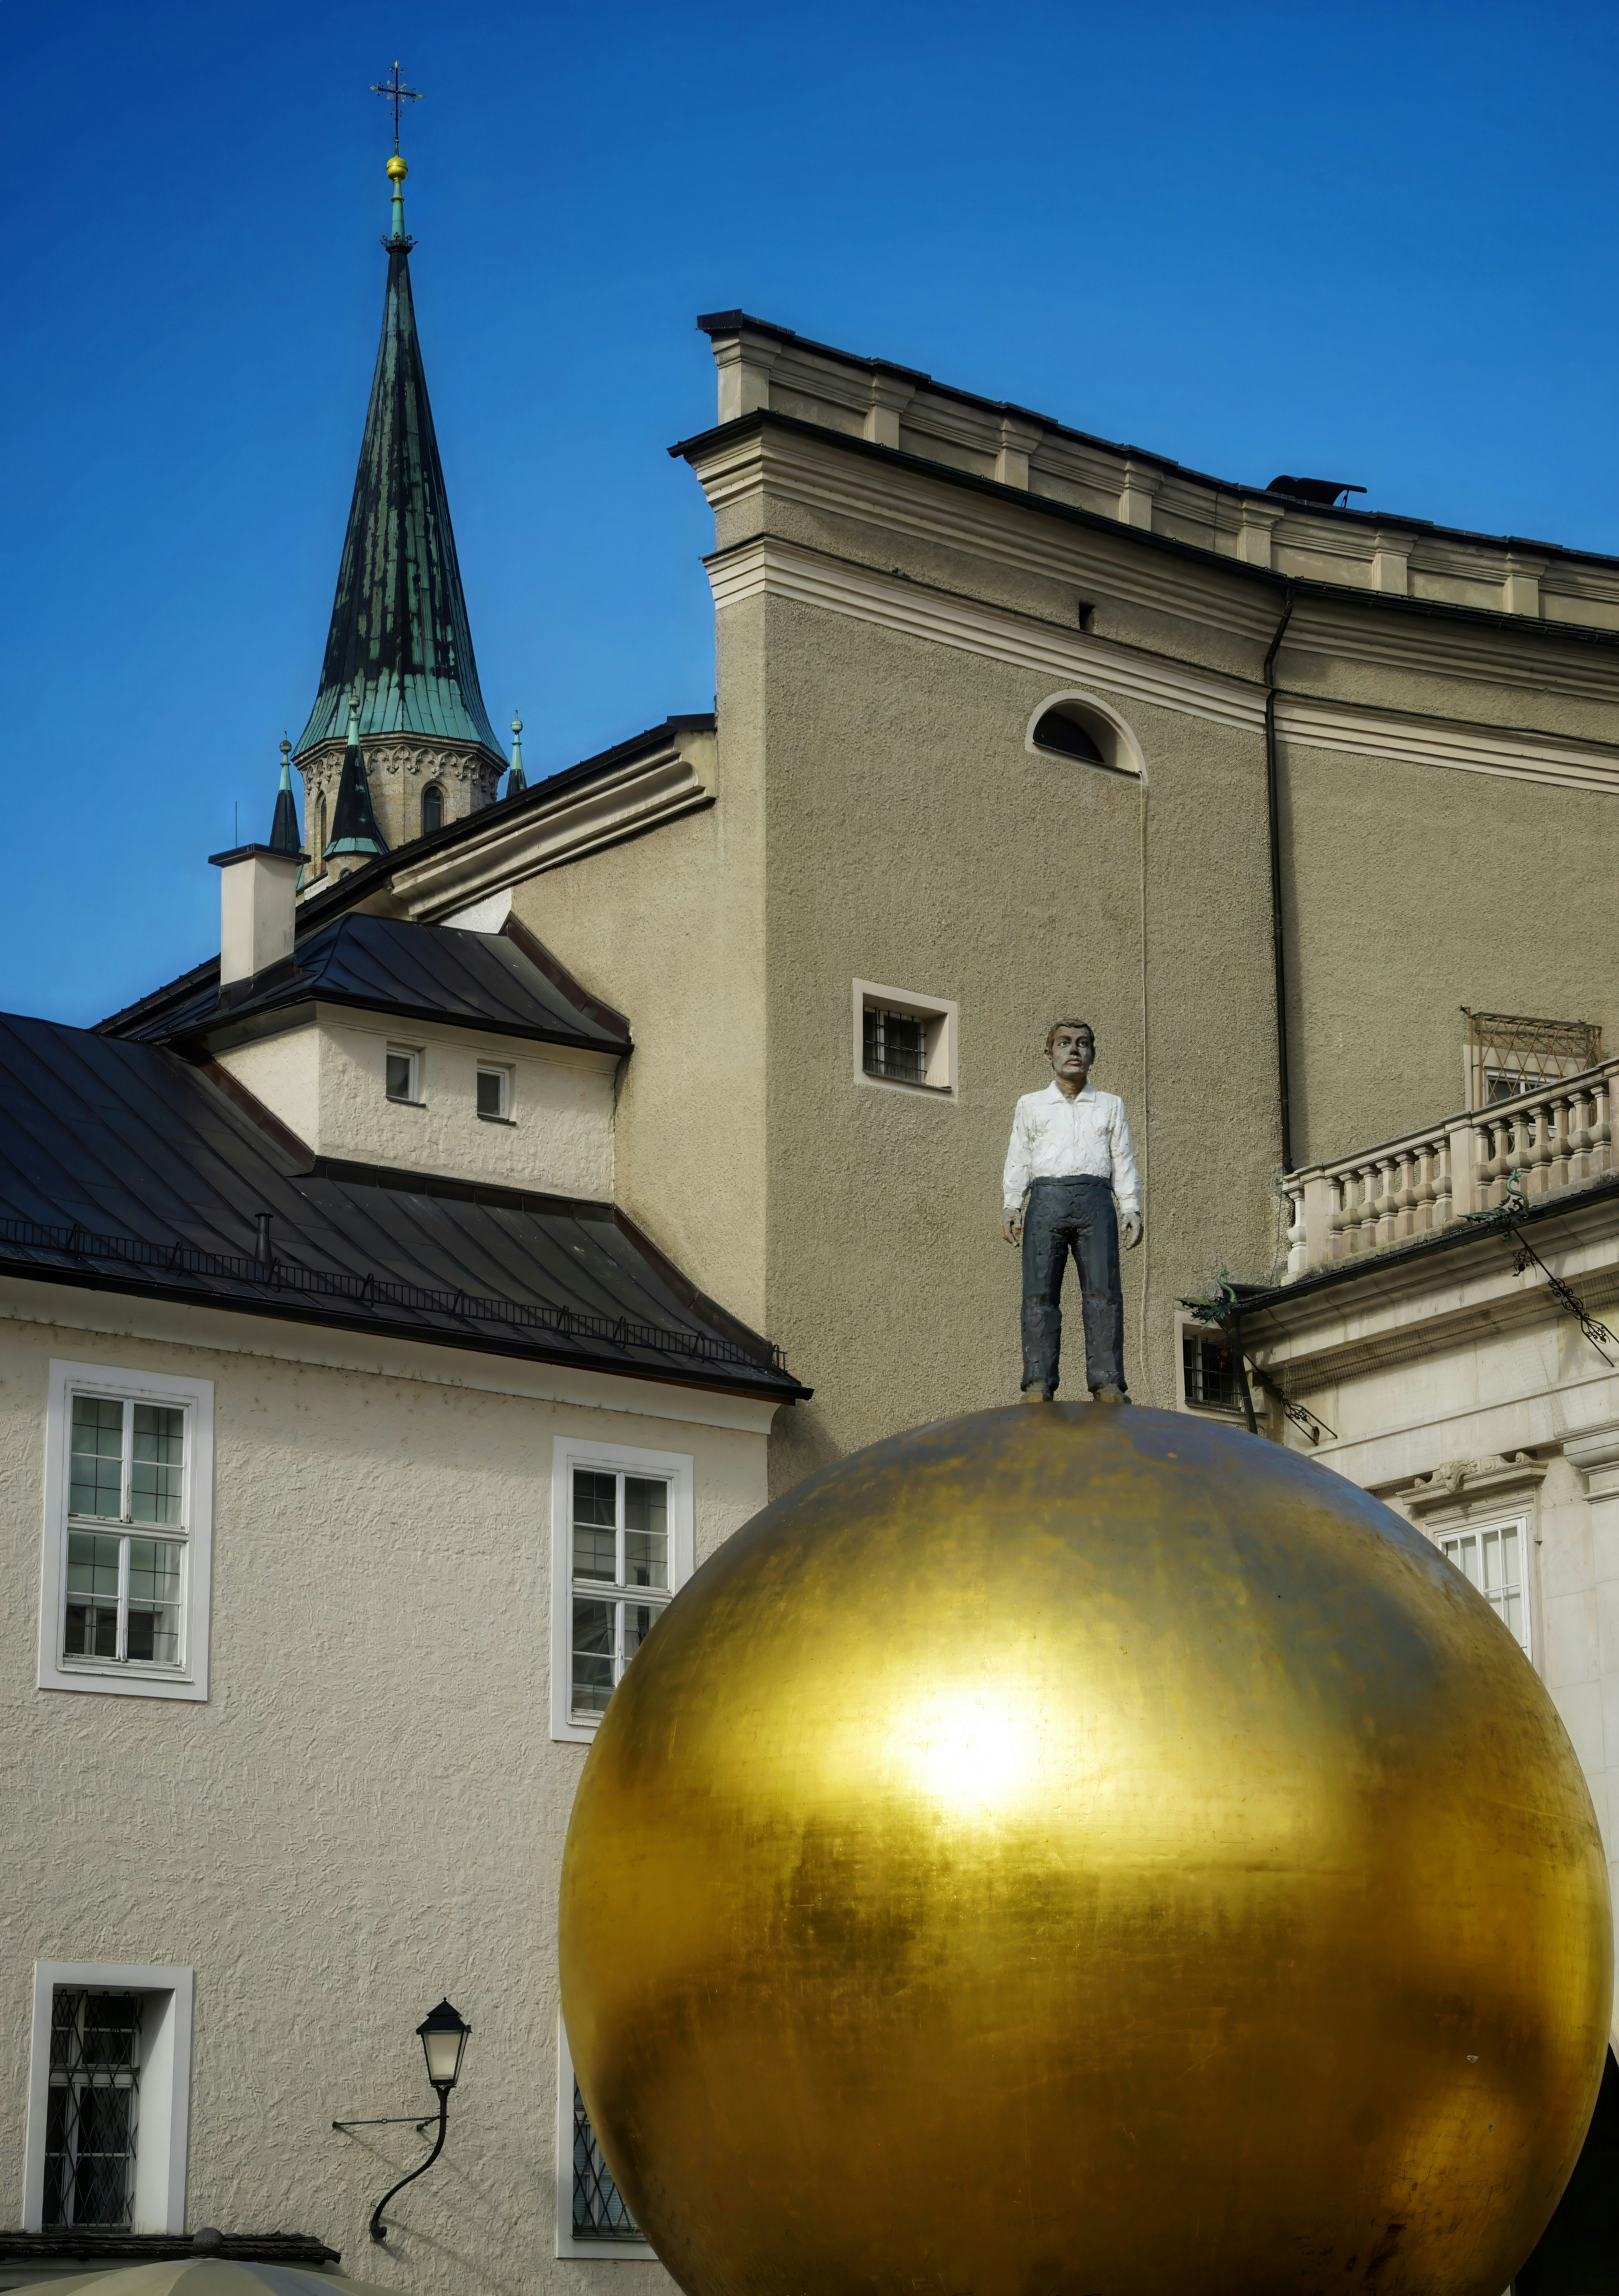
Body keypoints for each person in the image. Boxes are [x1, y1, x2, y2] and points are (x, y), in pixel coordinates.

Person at [1002, 1019, 1142, 1402]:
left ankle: (1108, 1380)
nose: (1074, 1051)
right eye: (1064, 1043)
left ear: (1093, 1053)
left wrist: (1130, 1207)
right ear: (1049, 1054)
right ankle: (1037, 1381)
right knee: (1038, 1295)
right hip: (1045, 1201)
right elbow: (1020, 1155)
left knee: (1104, 1294)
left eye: (1082, 1044)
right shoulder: (1030, 1104)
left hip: (1096, 1202)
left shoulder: (1110, 1105)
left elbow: (1122, 1157)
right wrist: (1012, 1203)